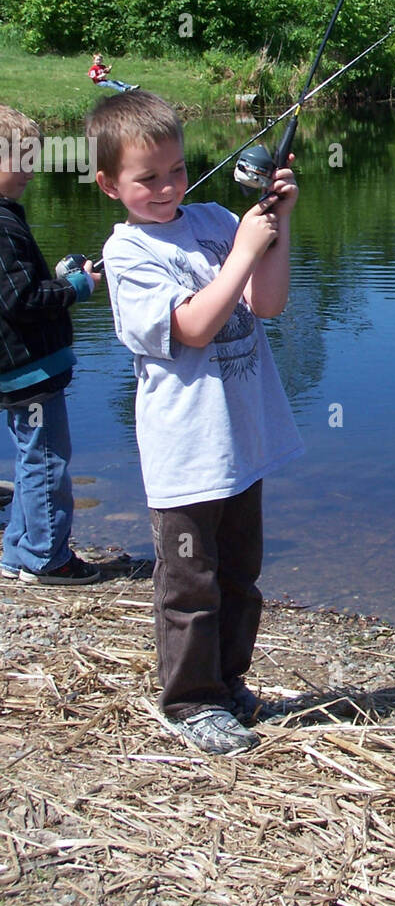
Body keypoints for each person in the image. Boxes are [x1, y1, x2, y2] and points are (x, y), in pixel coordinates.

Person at [87, 91, 303, 755]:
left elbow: (264, 304)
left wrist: (277, 220)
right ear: (109, 185)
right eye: (146, 178)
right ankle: (188, 702)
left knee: (241, 574)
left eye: (176, 170)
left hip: (243, 440)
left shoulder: (212, 219)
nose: (166, 187)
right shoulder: (127, 254)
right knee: (189, 584)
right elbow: (191, 326)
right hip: (185, 452)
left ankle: (229, 684)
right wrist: (242, 250)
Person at [0, 106, 102, 585]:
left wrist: (57, 278)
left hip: (26, 368)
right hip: (30, 370)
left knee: (31, 458)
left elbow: (16, 288)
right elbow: (22, 299)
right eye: (20, 157)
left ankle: (19, 549)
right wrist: (78, 288)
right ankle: (47, 558)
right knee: (47, 462)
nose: (30, 169)